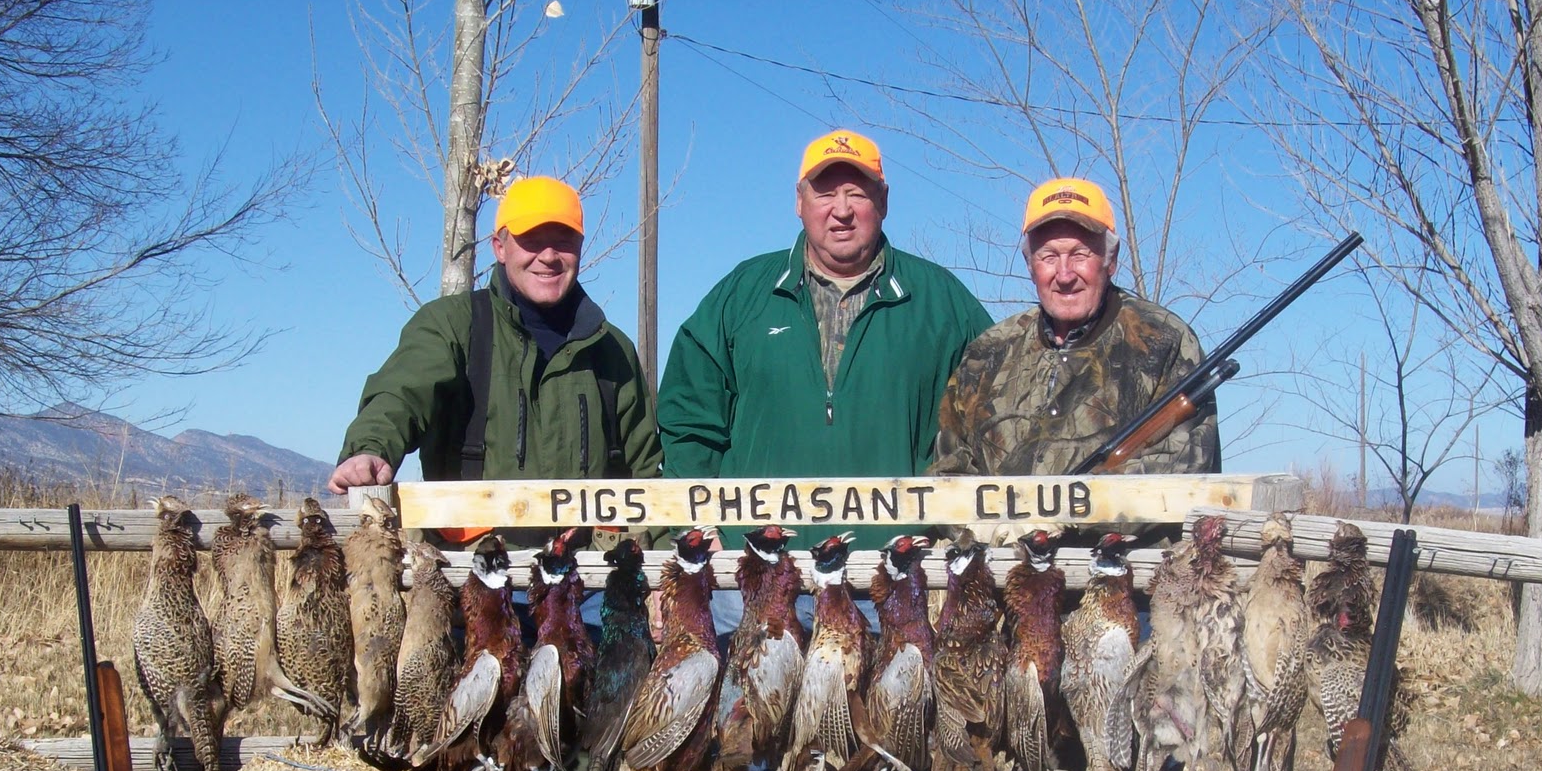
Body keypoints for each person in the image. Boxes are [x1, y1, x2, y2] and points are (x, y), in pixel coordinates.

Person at [659, 129, 991, 633]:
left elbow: (988, 426)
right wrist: (704, 527)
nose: (841, 209)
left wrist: (954, 534)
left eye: (857, 192)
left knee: (877, 715)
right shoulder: (743, 295)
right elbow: (687, 418)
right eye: (825, 191)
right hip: (753, 583)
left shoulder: (943, 304)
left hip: (891, 588)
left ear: (883, 201)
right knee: (746, 714)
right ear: (799, 202)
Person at [328, 176, 662, 551]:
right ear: (499, 247)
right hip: (478, 572)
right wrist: (370, 448)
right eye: (532, 239)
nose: (549, 256)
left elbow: (646, 471)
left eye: (563, 240)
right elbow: (402, 392)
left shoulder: (612, 347)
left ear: (580, 248)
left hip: (589, 579)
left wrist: (665, 574)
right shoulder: (454, 325)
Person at [931, 176, 1219, 525]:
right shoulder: (989, 351)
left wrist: (1064, 518)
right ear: (1030, 266)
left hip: (1128, 570)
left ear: (1110, 260)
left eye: (1080, 254)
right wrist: (984, 535)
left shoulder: (1163, 341)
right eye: (1048, 256)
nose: (1064, 274)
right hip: (1004, 569)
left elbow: (1182, 473)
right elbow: (949, 469)